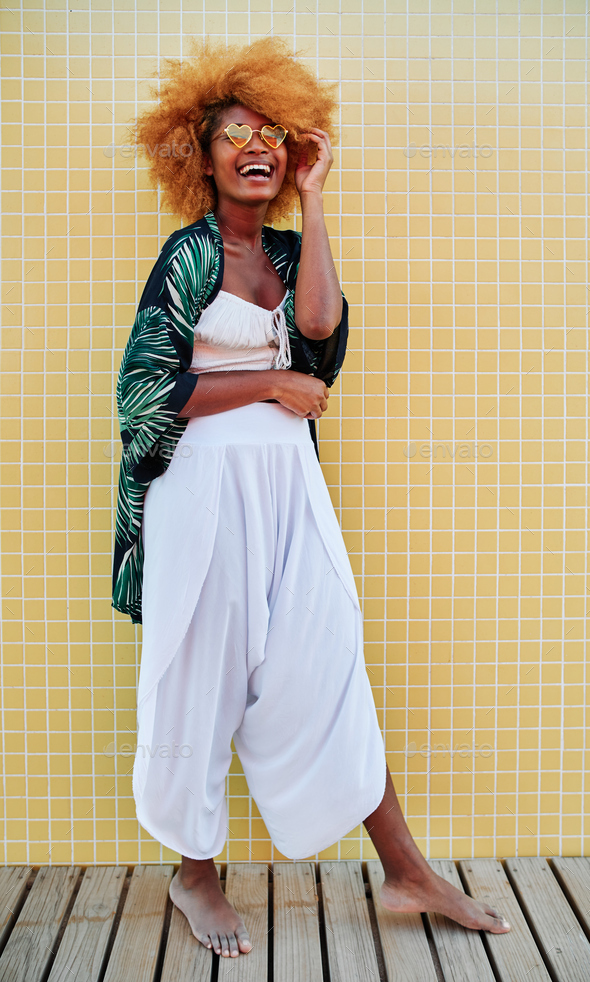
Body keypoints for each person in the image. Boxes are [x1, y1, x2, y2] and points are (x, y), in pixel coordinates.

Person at [113, 37, 511, 959]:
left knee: (328, 659)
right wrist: (262, 385)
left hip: (289, 490)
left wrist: (319, 195)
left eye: (272, 135)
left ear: (288, 154)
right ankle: (194, 875)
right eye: (233, 135)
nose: (254, 147)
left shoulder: (291, 254)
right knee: (199, 679)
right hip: (201, 494)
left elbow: (320, 335)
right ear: (200, 156)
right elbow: (142, 397)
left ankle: (406, 869)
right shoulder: (188, 255)